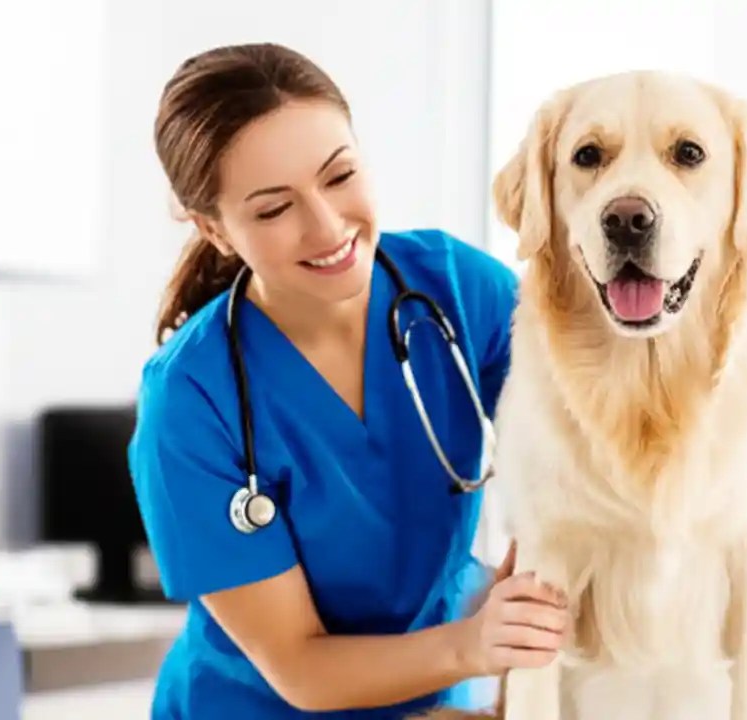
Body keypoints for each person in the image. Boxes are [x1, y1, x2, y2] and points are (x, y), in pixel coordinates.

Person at [127, 43, 572, 719]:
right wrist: (474, 643)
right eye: (273, 210)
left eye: (339, 176)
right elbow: (301, 668)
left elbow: (581, 435)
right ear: (214, 229)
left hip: (432, 703)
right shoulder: (191, 400)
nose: (327, 226)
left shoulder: (456, 288)